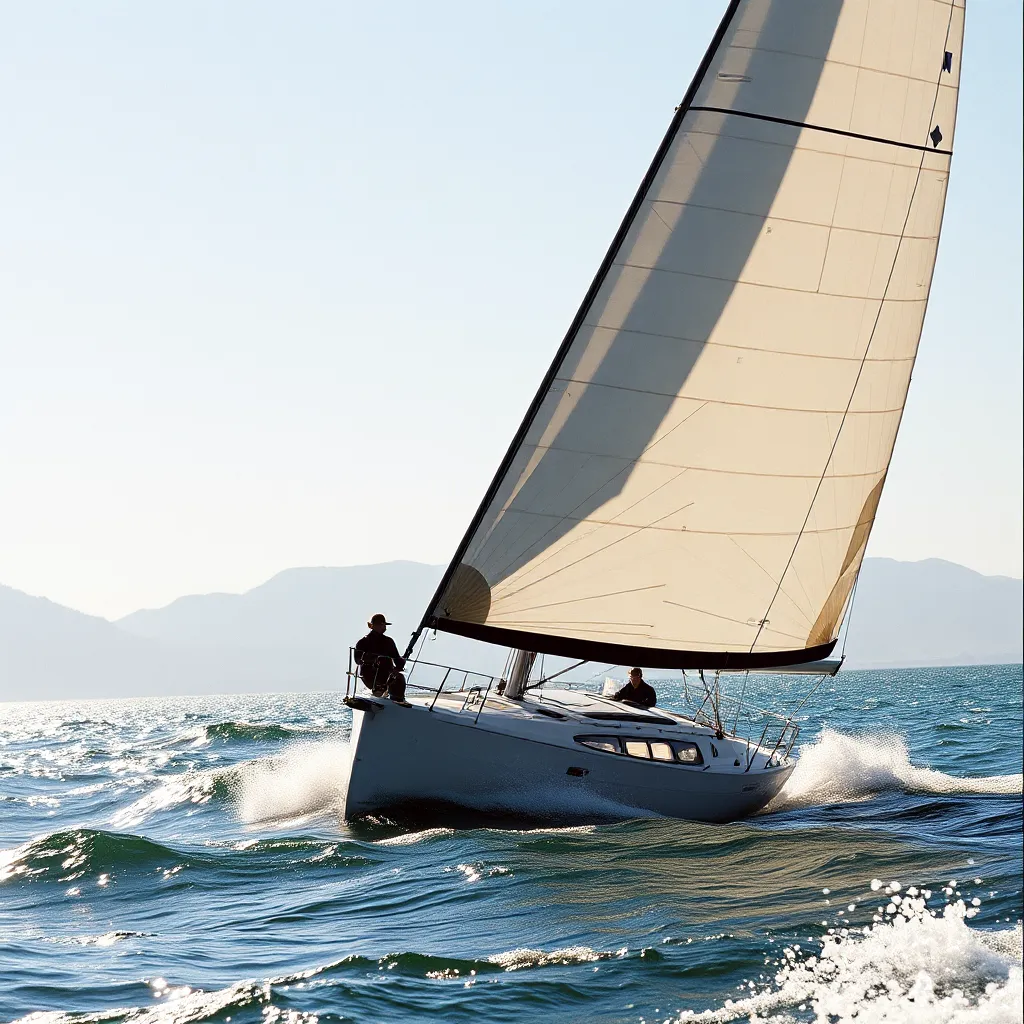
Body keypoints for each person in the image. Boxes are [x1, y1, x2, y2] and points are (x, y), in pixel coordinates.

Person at [354, 613, 407, 703]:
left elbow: (357, 660)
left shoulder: (363, 642)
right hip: (376, 676)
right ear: (375, 626)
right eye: (382, 625)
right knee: (399, 678)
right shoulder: (387, 642)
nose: (385, 627)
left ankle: (389, 696)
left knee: (396, 677)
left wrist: (401, 662)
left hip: (372, 676)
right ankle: (398, 701)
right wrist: (401, 661)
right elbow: (358, 660)